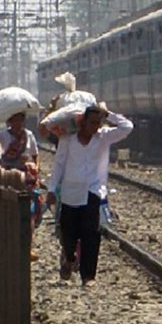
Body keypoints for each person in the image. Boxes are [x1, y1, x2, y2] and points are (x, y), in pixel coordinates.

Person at [45, 104, 133, 286]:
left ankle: (88, 276)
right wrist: (52, 189)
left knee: (91, 235)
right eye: (92, 122)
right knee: (68, 234)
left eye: (98, 122)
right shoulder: (68, 141)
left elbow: (127, 127)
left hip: (93, 192)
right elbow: (59, 165)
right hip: (70, 193)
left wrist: (109, 114)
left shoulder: (103, 137)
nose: (95, 127)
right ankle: (69, 258)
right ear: (83, 123)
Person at [0, 111, 42, 261]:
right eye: (15, 120)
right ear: (9, 121)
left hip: (25, 176)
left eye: (20, 120)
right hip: (6, 176)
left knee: (29, 211)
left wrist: (35, 166)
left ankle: (27, 246)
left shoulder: (28, 135)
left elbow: (35, 155)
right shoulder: (3, 135)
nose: (18, 123)